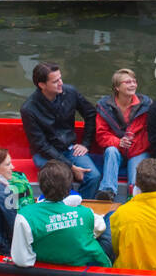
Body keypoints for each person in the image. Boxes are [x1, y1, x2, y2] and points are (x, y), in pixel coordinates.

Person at [19, 62, 104, 200]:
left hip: (70, 147)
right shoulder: (29, 109)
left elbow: (91, 114)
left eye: (60, 78)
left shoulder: (70, 92)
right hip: (45, 154)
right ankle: (62, 210)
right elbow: (40, 144)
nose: (61, 83)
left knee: (94, 176)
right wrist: (71, 166)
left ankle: (80, 209)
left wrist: (85, 144)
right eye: (55, 81)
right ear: (42, 85)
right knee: (61, 180)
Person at [10, 160, 111, 268]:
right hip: (84, 274)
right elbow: (100, 228)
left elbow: (22, 260)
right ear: (69, 188)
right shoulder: (87, 213)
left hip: (43, 275)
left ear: (41, 186)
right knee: (109, 217)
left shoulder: (25, 215)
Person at [95, 68, 153, 200]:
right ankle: (107, 192)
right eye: (127, 82)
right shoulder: (105, 106)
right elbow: (101, 134)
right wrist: (118, 142)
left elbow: (153, 131)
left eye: (134, 81)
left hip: (138, 150)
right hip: (117, 152)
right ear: (117, 87)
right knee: (111, 151)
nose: (132, 85)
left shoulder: (146, 105)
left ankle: (133, 198)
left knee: (134, 181)